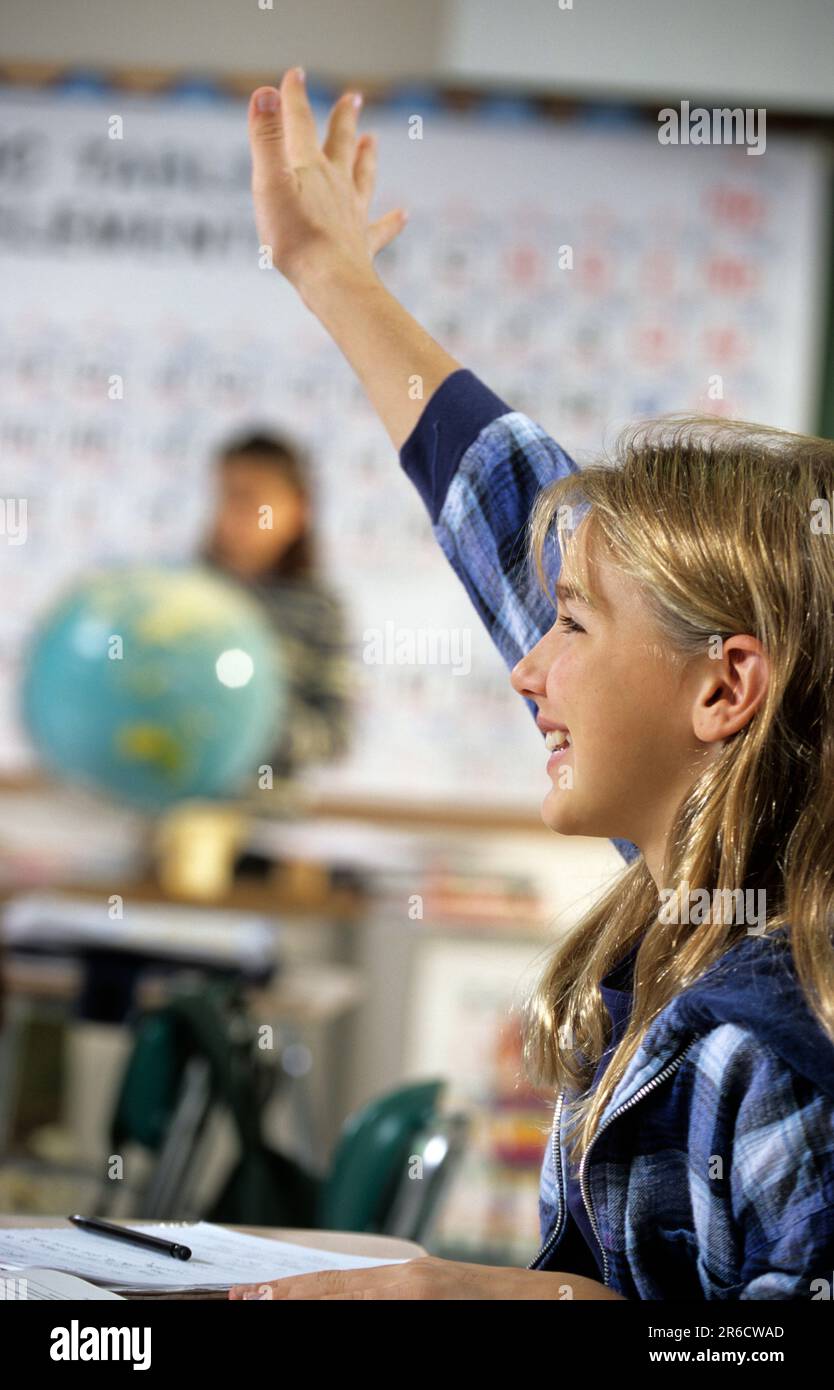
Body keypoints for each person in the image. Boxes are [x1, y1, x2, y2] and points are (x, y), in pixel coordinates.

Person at [229, 67, 834, 1300]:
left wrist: (506, 1299)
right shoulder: (712, 893)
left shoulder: (783, 1043)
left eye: (566, 626)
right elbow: (503, 508)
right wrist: (329, 273)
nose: (525, 664)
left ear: (725, 693)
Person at [201, 428, 353, 785]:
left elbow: (336, 736)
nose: (232, 515)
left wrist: (246, 719)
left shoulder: (320, 610)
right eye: (225, 496)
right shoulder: (184, 598)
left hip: (265, 822)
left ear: (297, 510)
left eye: (250, 501)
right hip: (173, 815)